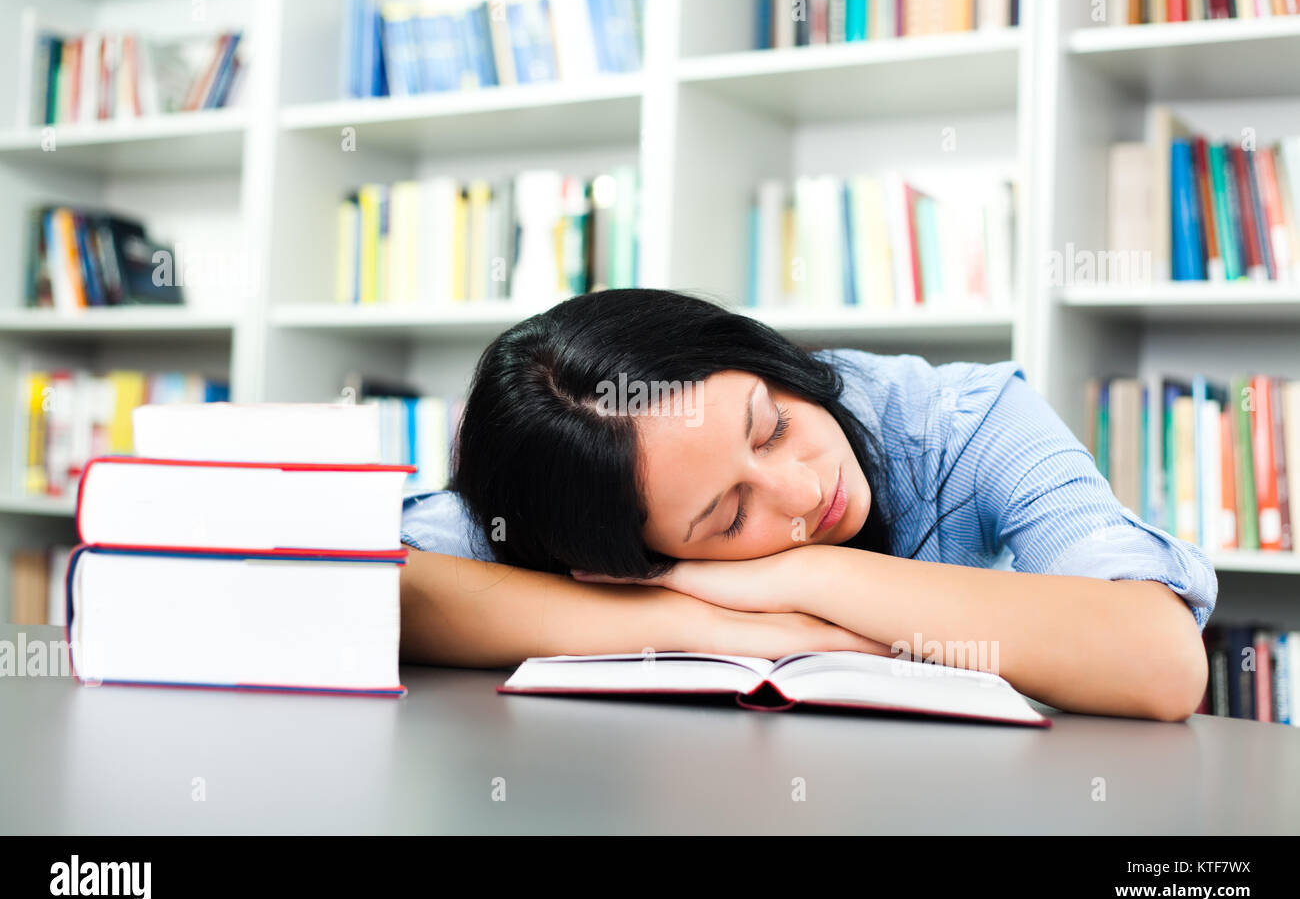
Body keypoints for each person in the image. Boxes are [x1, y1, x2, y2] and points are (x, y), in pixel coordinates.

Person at [398, 289, 1216, 720]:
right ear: (621, 561)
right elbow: (362, 582)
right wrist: (699, 623)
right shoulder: (552, 490)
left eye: (773, 425)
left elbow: (1161, 662)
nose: (804, 489)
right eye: (729, 517)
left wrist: (801, 576)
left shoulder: (965, 422)